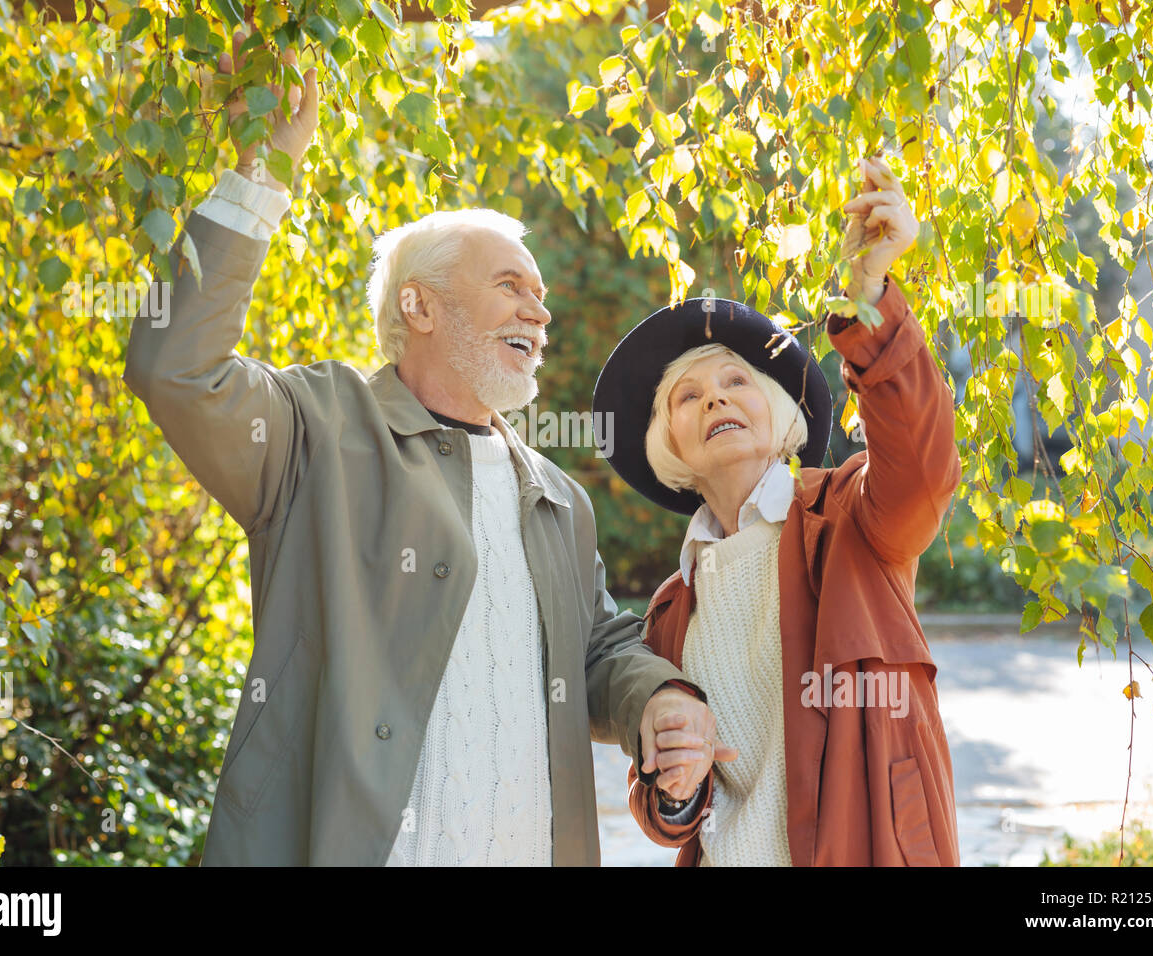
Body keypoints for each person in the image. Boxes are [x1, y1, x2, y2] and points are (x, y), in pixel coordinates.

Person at [122, 33, 728, 865]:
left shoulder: (556, 497)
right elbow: (175, 367)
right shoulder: (313, 429)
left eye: (542, 297)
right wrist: (260, 174)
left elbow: (595, 649)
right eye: (510, 287)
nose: (540, 315)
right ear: (420, 304)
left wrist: (658, 696)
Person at [592, 157, 962, 866]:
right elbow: (662, 801)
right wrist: (673, 786)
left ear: (783, 414)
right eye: (687, 397)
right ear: (669, 446)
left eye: (737, 381)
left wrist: (871, 300)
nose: (716, 400)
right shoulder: (669, 612)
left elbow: (921, 472)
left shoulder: (847, 521)